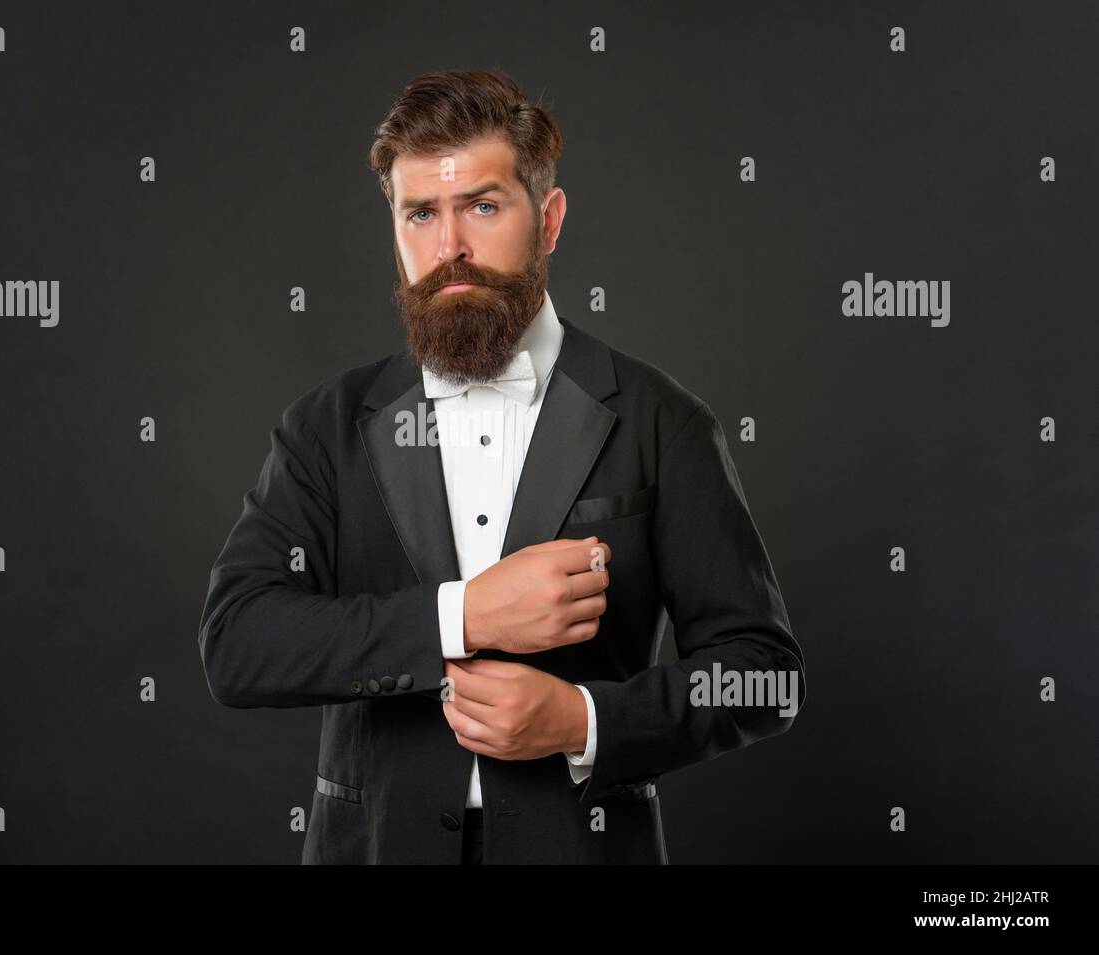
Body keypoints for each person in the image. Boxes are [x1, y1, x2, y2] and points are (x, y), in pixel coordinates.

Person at [198, 68, 805, 864]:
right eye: (421, 213)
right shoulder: (324, 426)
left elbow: (764, 675)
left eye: (483, 206)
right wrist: (463, 615)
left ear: (548, 220)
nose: (450, 247)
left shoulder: (665, 420)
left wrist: (584, 721)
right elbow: (238, 643)